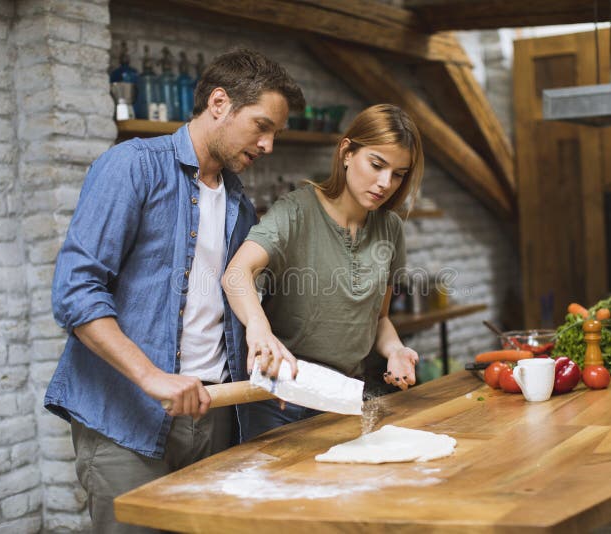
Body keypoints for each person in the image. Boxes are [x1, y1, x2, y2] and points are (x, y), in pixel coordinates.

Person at [44, 48, 304, 533]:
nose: (268, 145)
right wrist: (151, 376)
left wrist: (263, 346)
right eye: (261, 126)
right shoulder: (132, 167)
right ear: (220, 103)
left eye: (276, 134)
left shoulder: (238, 203)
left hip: (214, 411)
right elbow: (75, 293)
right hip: (128, 415)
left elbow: (224, 295)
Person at [221, 104, 425, 440]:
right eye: (377, 164)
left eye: (399, 174)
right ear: (347, 152)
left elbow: (379, 319)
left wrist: (396, 350)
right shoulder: (297, 211)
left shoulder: (390, 229)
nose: (385, 182)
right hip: (279, 396)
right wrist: (258, 327)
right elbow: (236, 273)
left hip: (343, 395)